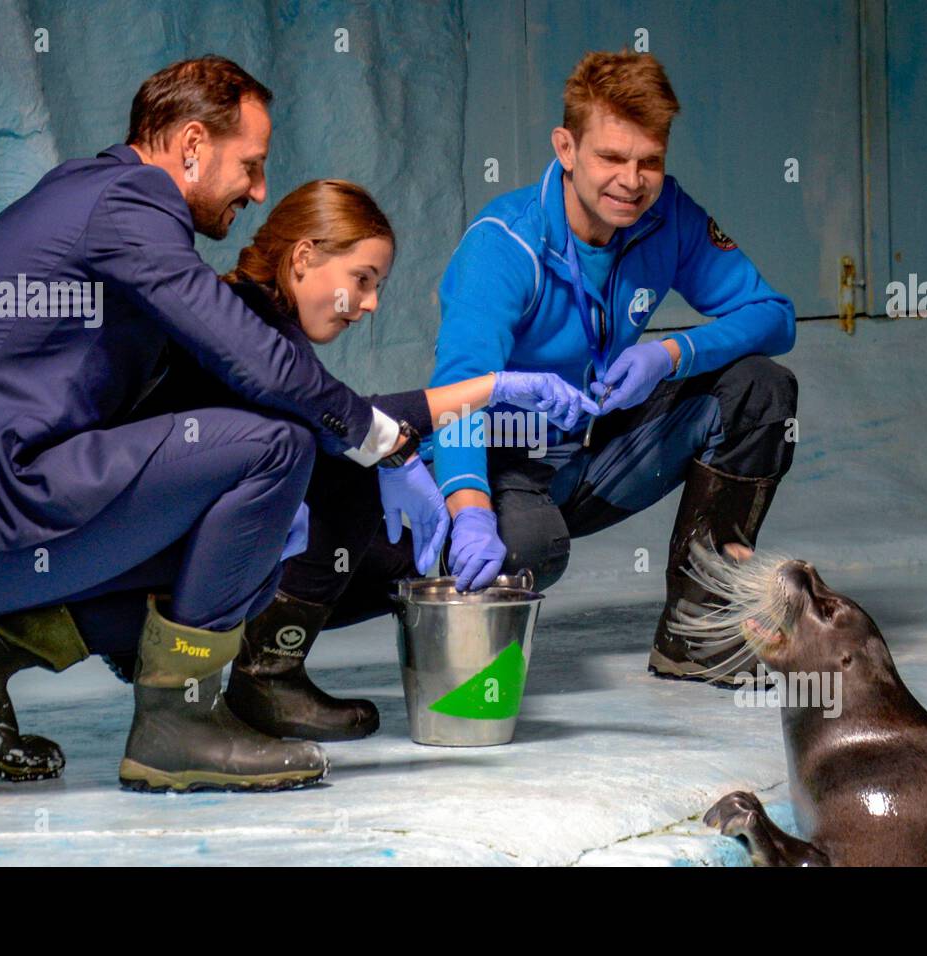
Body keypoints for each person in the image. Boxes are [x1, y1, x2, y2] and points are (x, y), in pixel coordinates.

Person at [0, 55, 589, 792]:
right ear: (193, 145)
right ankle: (182, 723)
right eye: (252, 164)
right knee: (276, 449)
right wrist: (385, 443)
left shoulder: (91, 197)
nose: (262, 189)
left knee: (244, 514)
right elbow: (255, 363)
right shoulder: (131, 202)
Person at [103, 178, 597, 743]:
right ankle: (264, 676)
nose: (370, 305)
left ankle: (253, 663)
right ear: (304, 257)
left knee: (402, 562)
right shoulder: (242, 322)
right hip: (140, 568)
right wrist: (490, 388)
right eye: (362, 280)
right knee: (354, 474)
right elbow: (344, 422)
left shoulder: (262, 318)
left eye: (377, 286)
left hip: (175, 551)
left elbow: (338, 416)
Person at [426, 50, 800, 686]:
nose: (632, 181)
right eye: (611, 158)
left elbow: (774, 315)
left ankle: (696, 636)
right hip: (508, 460)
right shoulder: (504, 244)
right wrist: (470, 514)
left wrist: (672, 353)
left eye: (649, 161)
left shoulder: (668, 216)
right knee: (526, 551)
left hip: (600, 447)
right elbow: (455, 395)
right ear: (566, 147)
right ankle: (460, 576)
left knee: (760, 388)